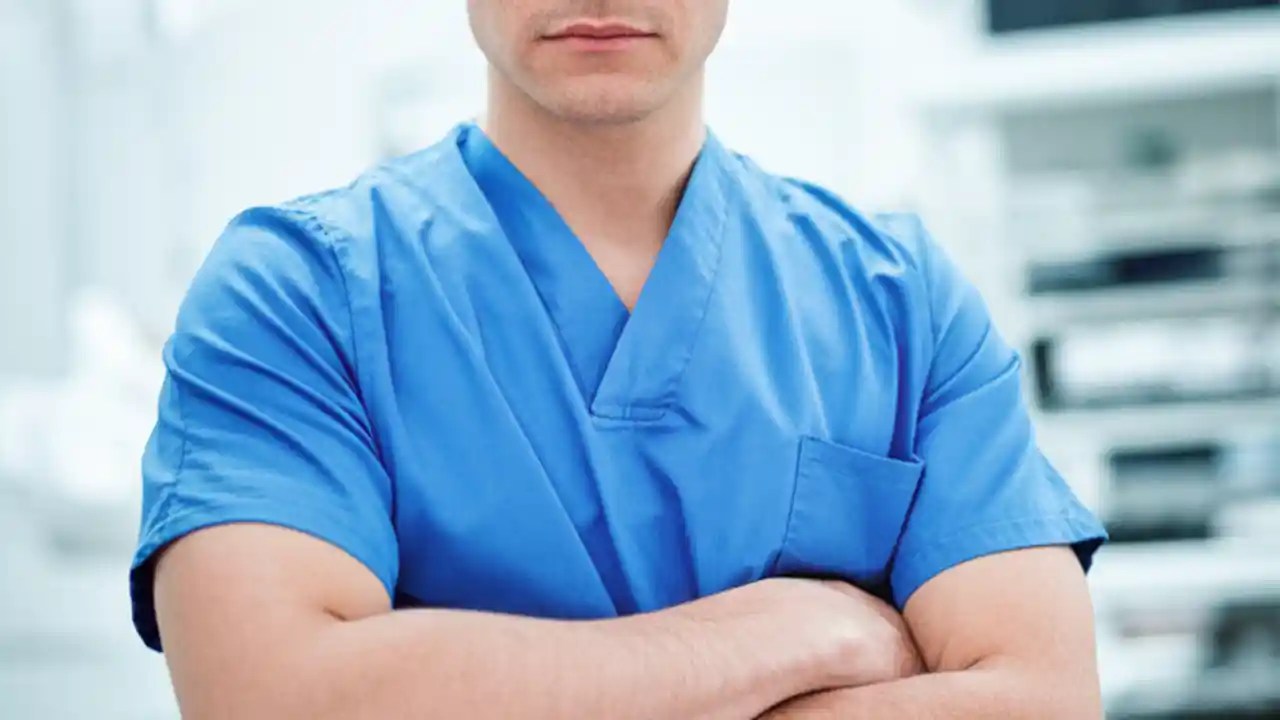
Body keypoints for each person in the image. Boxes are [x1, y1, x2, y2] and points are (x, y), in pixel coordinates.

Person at [130, 1, 1109, 717]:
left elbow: (1038, 701)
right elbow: (278, 698)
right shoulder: (297, 296)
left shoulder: (901, 305)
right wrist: (794, 636)